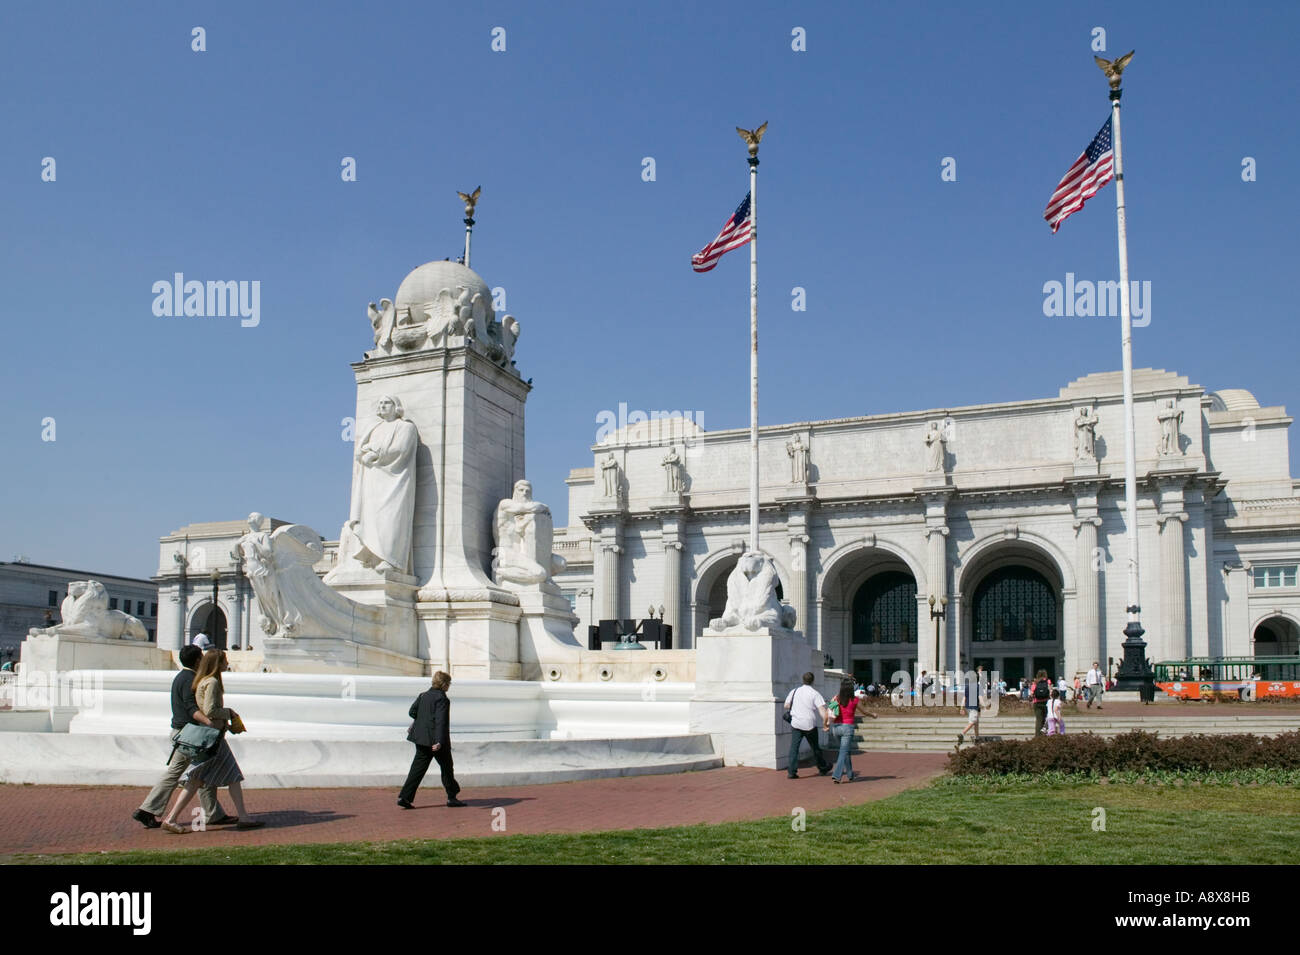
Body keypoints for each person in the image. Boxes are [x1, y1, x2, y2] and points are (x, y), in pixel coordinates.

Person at [159, 650, 263, 833]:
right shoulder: (213, 682)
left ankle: (172, 818)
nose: (227, 663)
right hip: (214, 740)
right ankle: (171, 818)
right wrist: (229, 712)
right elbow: (210, 710)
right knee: (208, 778)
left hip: (211, 737)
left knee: (212, 778)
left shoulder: (202, 681)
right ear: (217, 664)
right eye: (224, 660)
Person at [132, 645, 232, 829]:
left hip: (182, 731)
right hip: (189, 734)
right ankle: (147, 810)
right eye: (201, 657)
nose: (203, 660)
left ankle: (213, 813)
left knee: (202, 770)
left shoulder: (180, 677)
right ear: (196, 661)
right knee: (177, 773)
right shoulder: (190, 679)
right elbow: (190, 707)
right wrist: (210, 723)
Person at [399, 671, 465, 808]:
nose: (449, 686)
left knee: (417, 770)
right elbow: (441, 722)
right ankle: (452, 797)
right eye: (449, 683)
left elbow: (412, 712)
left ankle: (405, 797)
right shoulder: (442, 699)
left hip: (421, 739)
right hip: (436, 741)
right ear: (444, 684)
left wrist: (421, 720)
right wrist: (439, 741)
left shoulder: (423, 695)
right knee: (447, 768)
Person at [829, 677, 879, 782]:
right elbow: (864, 712)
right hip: (847, 728)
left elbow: (830, 709)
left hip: (836, 728)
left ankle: (850, 774)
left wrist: (825, 723)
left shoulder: (837, 698)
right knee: (843, 752)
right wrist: (873, 715)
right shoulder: (854, 700)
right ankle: (837, 775)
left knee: (845, 751)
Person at [783, 672, 830, 778]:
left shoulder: (794, 691)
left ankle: (792, 772)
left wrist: (797, 705)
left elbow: (786, 705)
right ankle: (822, 768)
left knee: (794, 748)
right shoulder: (815, 693)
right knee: (815, 748)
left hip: (796, 723)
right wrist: (826, 723)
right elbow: (822, 710)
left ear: (803, 680)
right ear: (813, 681)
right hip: (809, 724)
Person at [957, 665, 985, 745]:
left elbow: (964, 698)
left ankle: (977, 737)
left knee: (976, 722)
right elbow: (980, 697)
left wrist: (961, 708)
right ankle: (962, 733)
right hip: (974, 707)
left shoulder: (967, 687)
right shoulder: (978, 687)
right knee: (973, 721)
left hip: (968, 707)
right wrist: (984, 705)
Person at [1031, 670, 1052, 735]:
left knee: (1039, 719)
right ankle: (1044, 734)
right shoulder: (1048, 681)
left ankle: (1037, 735)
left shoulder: (1035, 682)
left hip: (1037, 702)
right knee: (1045, 719)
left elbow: (1032, 693)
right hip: (1046, 702)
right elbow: (1050, 691)